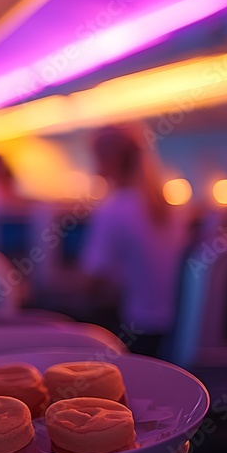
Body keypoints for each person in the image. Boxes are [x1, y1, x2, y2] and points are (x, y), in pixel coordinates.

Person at [80, 125, 186, 356]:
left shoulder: (114, 207)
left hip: (132, 329)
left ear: (108, 160)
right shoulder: (173, 207)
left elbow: (94, 281)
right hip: (175, 326)